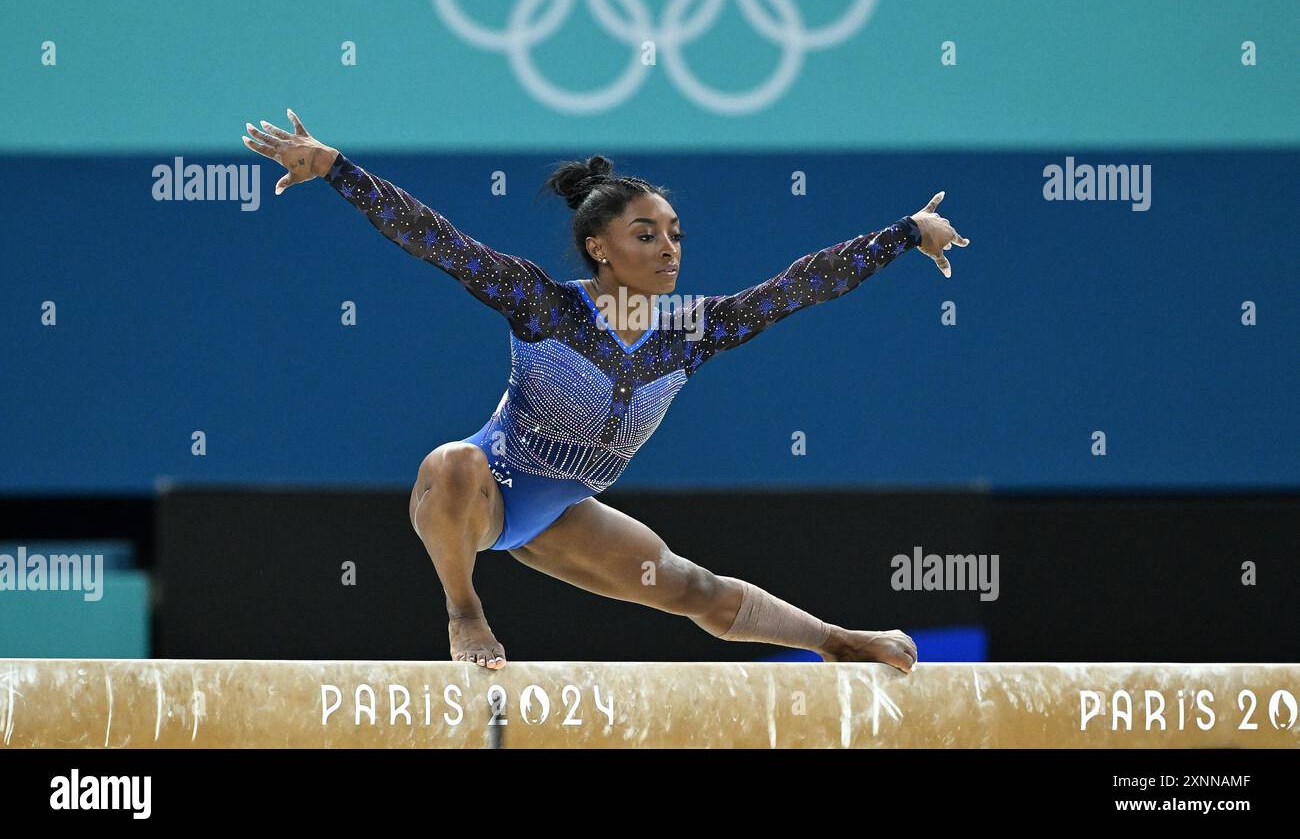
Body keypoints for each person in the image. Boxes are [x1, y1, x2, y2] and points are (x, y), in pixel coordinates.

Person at [242, 110, 969, 673]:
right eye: (646, 234)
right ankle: (463, 608)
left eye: (675, 234)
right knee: (449, 462)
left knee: (694, 590)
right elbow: (437, 239)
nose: (669, 248)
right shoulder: (543, 304)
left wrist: (905, 233)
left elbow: (800, 284)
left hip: (559, 512)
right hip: (487, 490)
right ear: (599, 246)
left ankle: (835, 642)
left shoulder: (695, 329)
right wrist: (337, 169)